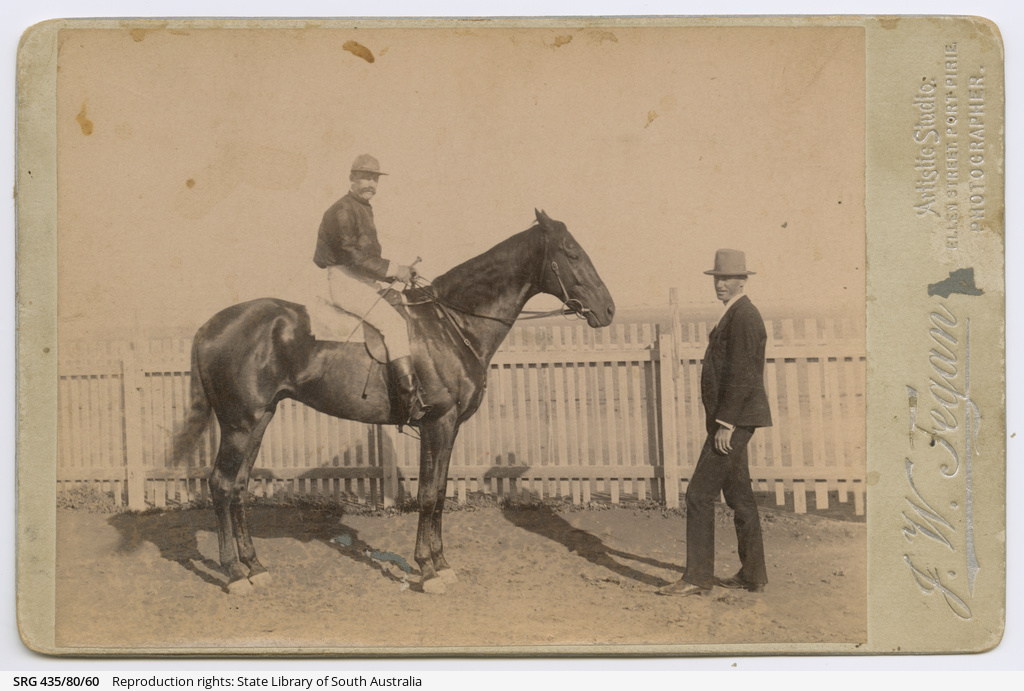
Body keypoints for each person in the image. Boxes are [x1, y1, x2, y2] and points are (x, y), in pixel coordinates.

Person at [658, 249, 772, 597]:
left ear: (743, 280)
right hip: (733, 420)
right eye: (717, 279)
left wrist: (726, 424)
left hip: (733, 423)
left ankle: (696, 579)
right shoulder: (734, 314)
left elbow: (743, 375)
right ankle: (753, 575)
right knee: (739, 496)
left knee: (698, 494)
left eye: (727, 279)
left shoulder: (745, 316)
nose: (720, 284)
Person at [313, 154, 428, 425]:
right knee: (394, 325)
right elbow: (352, 256)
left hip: (362, 281)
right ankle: (408, 401)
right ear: (352, 178)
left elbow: (366, 260)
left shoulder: (363, 207)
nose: (370, 183)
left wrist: (396, 275)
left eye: (374, 178)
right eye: (364, 177)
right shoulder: (341, 210)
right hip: (345, 282)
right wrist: (394, 269)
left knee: (406, 309)